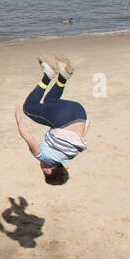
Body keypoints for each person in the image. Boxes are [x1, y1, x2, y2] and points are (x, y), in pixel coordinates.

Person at [14, 55, 87, 185]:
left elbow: (81, 135)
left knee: (50, 102)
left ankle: (63, 77)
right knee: (29, 108)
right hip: (65, 118)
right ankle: (48, 76)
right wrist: (18, 119)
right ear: (47, 171)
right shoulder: (43, 156)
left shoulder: (70, 155)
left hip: (80, 112)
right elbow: (27, 136)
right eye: (43, 172)